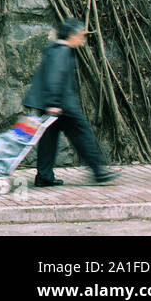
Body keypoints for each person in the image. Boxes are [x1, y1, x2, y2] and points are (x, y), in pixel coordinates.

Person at [22, 17, 119, 187]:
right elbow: (55, 77)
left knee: (48, 141)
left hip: (52, 105)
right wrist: (54, 103)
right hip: (62, 105)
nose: (83, 39)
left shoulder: (54, 49)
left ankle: (44, 176)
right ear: (72, 35)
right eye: (81, 35)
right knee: (83, 135)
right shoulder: (62, 51)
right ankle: (99, 172)